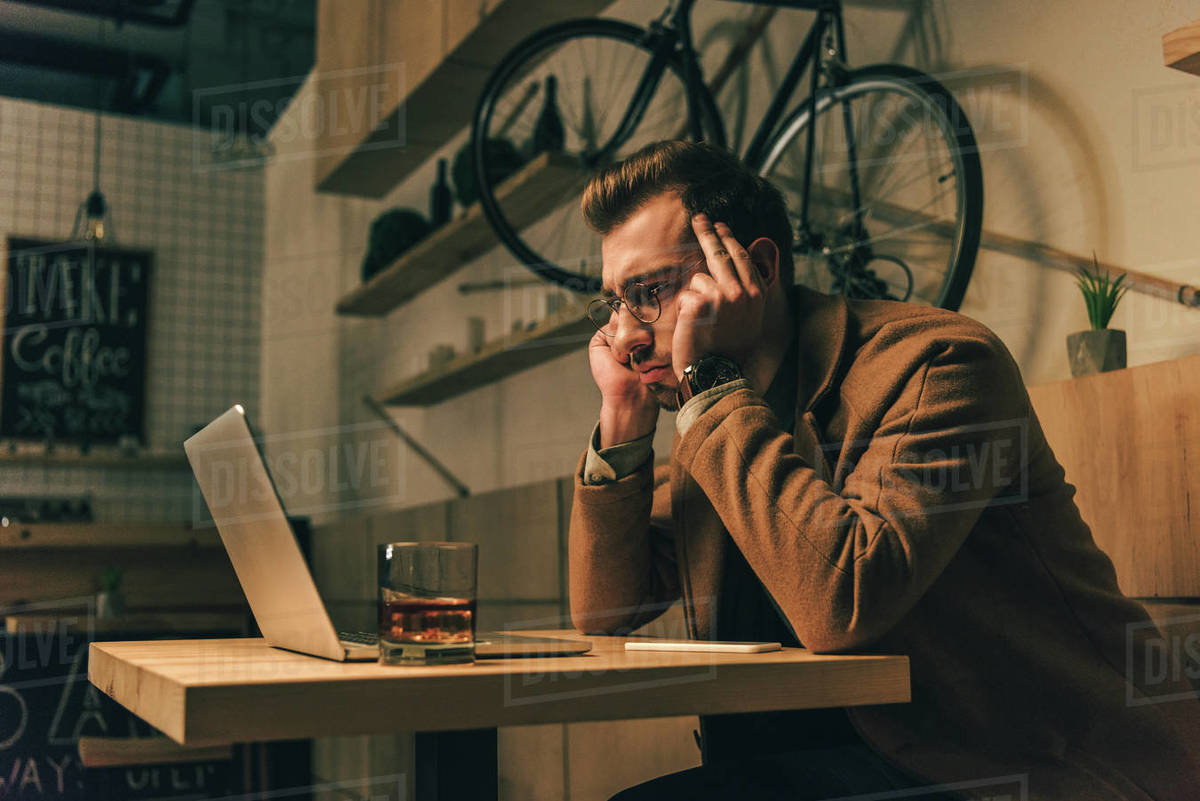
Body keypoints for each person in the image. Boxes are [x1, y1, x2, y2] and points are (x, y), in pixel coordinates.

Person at [567, 139, 1200, 800]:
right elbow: (606, 606)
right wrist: (622, 419)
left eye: (650, 292)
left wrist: (710, 385)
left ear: (751, 268)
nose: (626, 333)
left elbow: (843, 600)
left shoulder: (937, 364)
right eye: (614, 302)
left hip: (1014, 771)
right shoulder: (717, 418)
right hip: (845, 770)